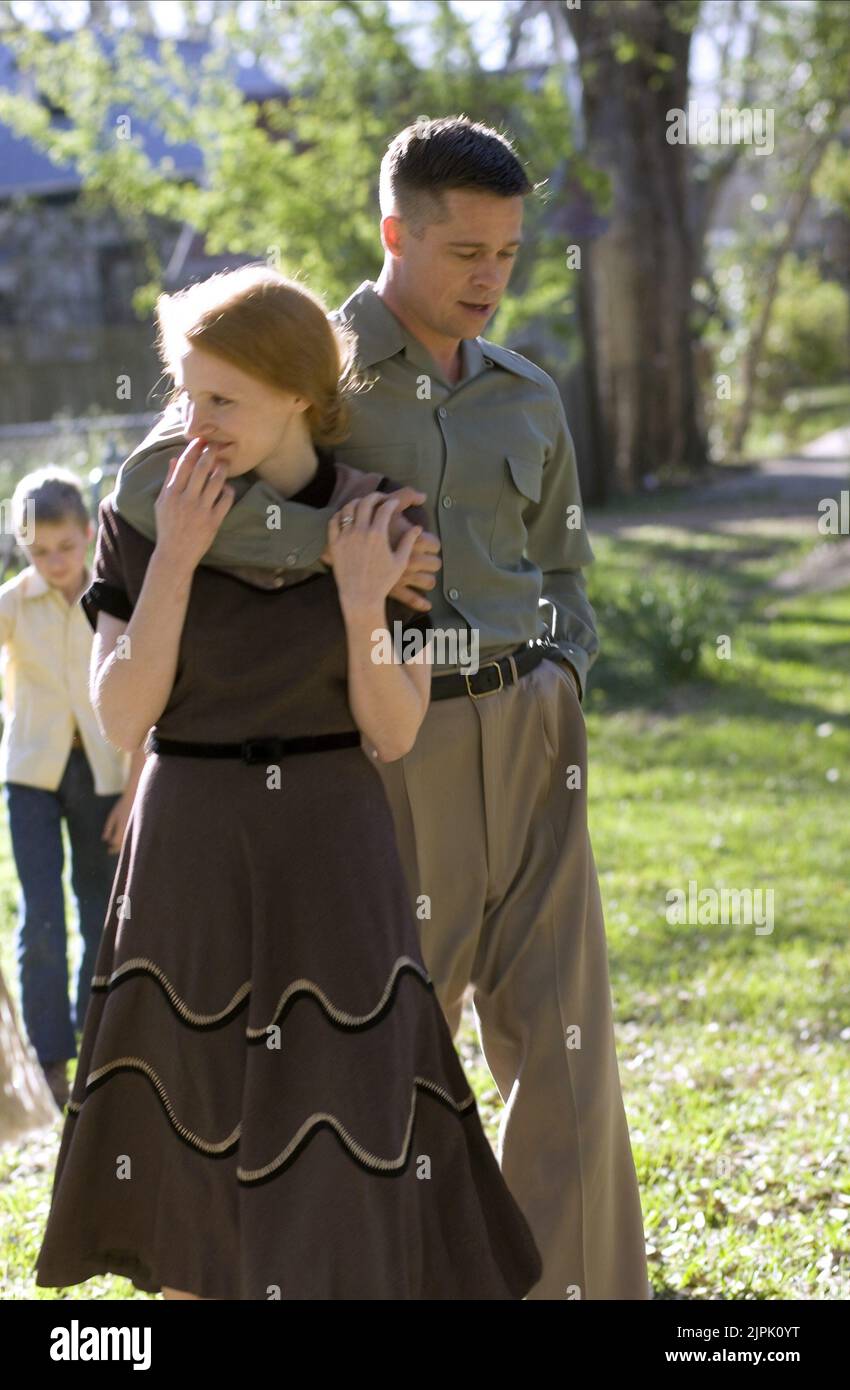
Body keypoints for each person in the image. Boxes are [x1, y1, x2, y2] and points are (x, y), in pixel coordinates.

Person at [109, 115, 650, 1300]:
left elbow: (562, 562)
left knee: (569, 1056)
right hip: (385, 739)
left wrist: (565, 670)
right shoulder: (312, 356)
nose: (489, 279)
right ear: (394, 232)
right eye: (463, 252)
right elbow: (154, 483)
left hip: (531, 730)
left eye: (507, 254)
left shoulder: (525, 393)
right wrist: (331, 549)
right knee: (385, 1062)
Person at [33, 265, 543, 1300]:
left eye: (221, 398)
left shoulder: (375, 519)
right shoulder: (145, 509)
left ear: (300, 397)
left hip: (329, 839)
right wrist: (174, 557)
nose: (193, 420)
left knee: (340, 1111)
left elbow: (393, 731)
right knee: (191, 1113)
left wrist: (362, 603)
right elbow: (126, 713)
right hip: (189, 837)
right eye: (184, 391)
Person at [0, 470, 146, 1111]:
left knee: (97, 908)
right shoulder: (13, 603)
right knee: (40, 916)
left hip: (104, 779)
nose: (55, 563)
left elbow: (146, 697)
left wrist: (134, 790)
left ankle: (99, 1043)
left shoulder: (114, 599)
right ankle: (50, 1057)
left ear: (89, 534)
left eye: (65, 547)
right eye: (39, 553)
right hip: (31, 774)